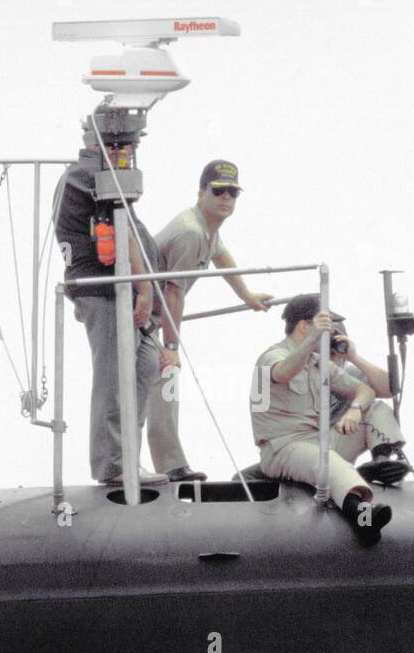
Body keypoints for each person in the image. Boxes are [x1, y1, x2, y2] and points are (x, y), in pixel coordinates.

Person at [56, 107, 166, 486]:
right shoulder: (91, 174)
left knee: (142, 369)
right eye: (124, 142)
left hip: (124, 296)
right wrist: (145, 288)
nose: (130, 149)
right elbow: (120, 233)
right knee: (113, 380)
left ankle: (128, 460)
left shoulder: (105, 174)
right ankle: (113, 467)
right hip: (107, 293)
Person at [147, 160, 274, 483]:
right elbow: (174, 292)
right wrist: (171, 346)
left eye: (233, 192)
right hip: (141, 314)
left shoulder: (207, 228)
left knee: (159, 381)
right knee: (165, 375)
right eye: (218, 191)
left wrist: (246, 295)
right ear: (201, 192)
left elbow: (220, 255)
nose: (226, 198)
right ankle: (169, 468)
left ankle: (164, 464)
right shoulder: (190, 231)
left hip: (152, 314)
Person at [249, 293, 402, 544]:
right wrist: (311, 340)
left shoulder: (317, 362)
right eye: (325, 325)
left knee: (373, 409)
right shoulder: (272, 356)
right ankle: (364, 520)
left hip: (315, 441)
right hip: (282, 447)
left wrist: (354, 409)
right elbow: (284, 372)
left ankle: (382, 460)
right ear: (304, 326)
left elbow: (366, 390)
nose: (331, 333)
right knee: (326, 461)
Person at [326, 316, 411, 486]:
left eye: (333, 341)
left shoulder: (349, 373)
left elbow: (390, 388)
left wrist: (354, 357)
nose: (330, 350)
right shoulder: (300, 370)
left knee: (376, 407)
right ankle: (346, 474)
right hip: (308, 450)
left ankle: (380, 461)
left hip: (337, 443)